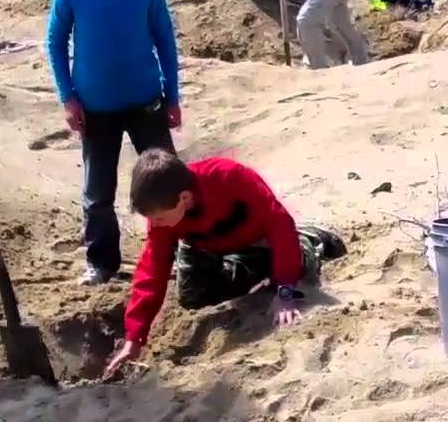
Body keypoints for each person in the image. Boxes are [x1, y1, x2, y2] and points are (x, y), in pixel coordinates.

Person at [102, 149, 347, 379]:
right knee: (192, 296)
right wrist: (135, 336)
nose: (156, 224)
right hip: (206, 245)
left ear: (184, 198)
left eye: (159, 218)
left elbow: (278, 223)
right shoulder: (162, 218)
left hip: (256, 238)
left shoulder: (230, 176)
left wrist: (285, 290)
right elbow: (153, 269)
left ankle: (309, 239)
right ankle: (249, 267)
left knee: (294, 265)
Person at [46, 0, 182, 286]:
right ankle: (102, 262)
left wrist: (173, 96)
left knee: (166, 183)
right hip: (95, 107)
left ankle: (176, 255)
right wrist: (67, 98)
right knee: (97, 192)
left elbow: (164, 40)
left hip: (146, 101)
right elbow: (55, 42)